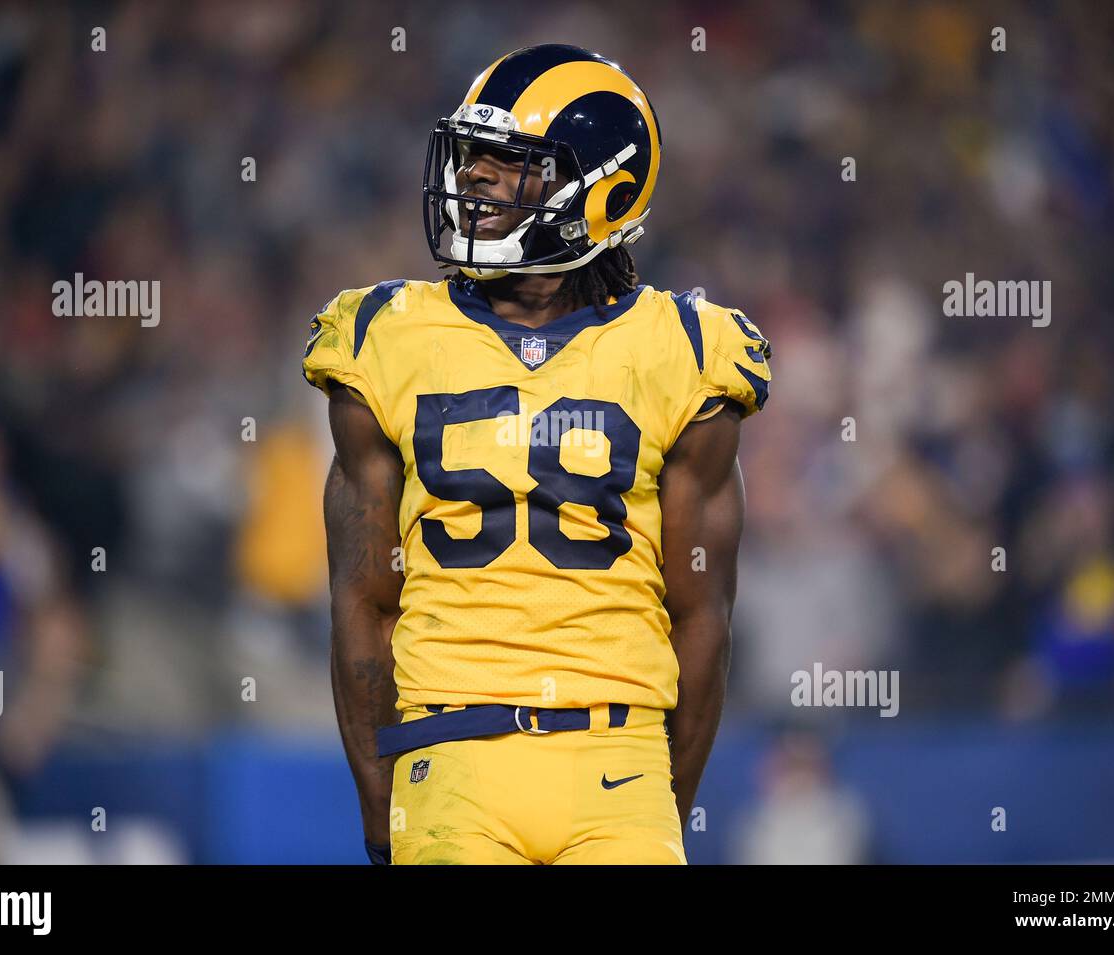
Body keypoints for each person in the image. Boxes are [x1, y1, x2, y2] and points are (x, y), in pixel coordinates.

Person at [302, 44, 772, 864]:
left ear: (601, 190)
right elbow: (362, 600)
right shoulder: (387, 337)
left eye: (511, 163)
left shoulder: (682, 350)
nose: (474, 178)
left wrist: (661, 804)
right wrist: (384, 804)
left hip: (619, 758)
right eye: (472, 156)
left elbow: (703, 618)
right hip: (451, 749)